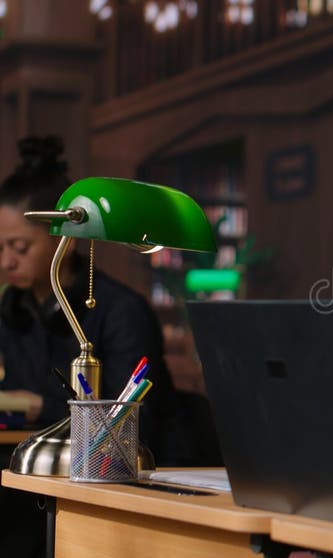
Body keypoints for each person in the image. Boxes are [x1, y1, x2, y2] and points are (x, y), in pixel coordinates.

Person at [0, 136, 195, 458]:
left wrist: (39, 406)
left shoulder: (122, 311)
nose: (6, 262)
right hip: (42, 461)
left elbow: (131, 423)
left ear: (64, 240)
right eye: (0, 248)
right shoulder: (14, 308)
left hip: (132, 467)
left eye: (20, 248)